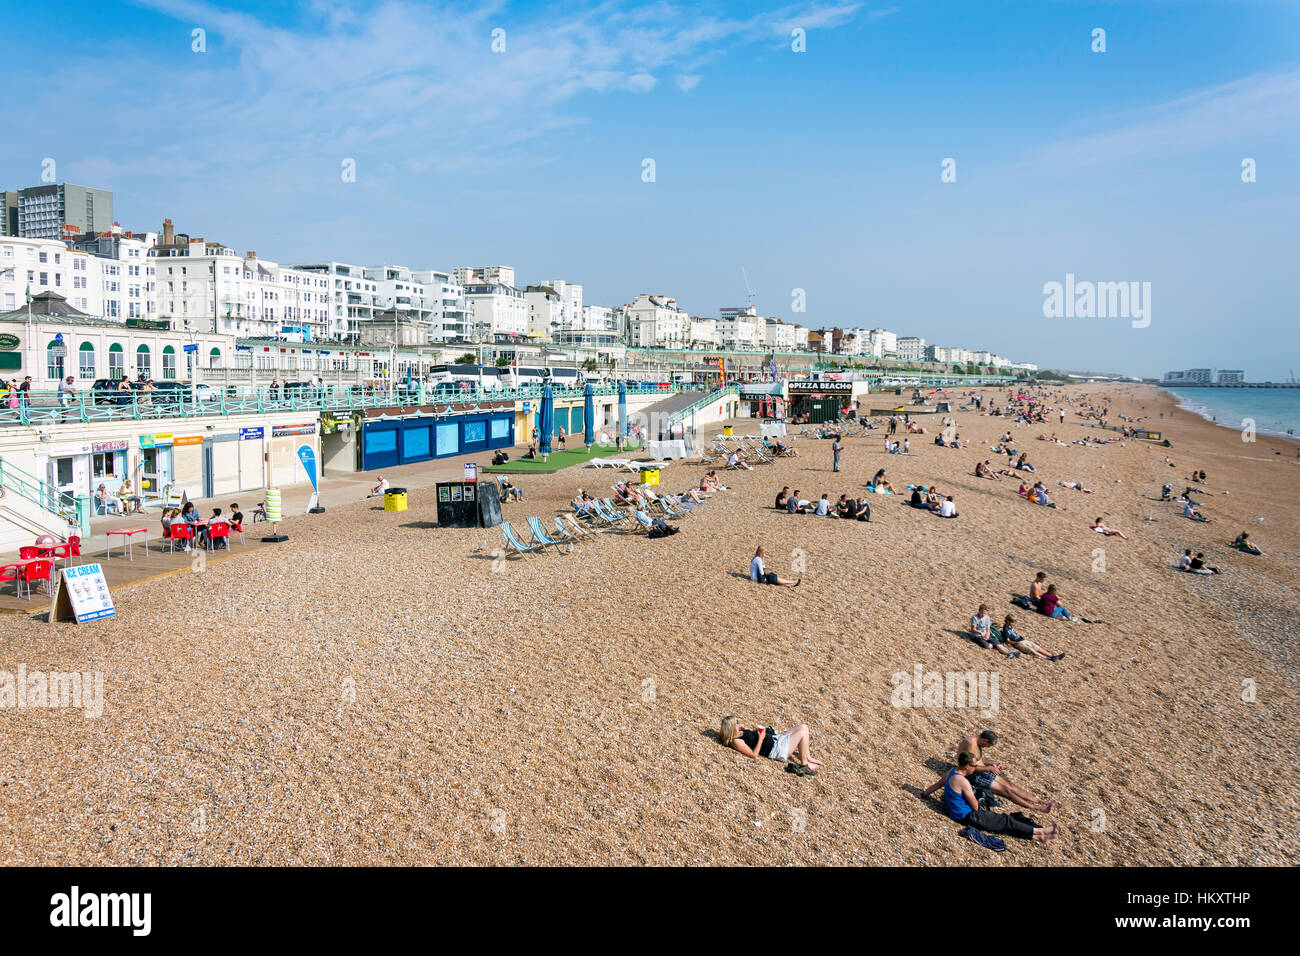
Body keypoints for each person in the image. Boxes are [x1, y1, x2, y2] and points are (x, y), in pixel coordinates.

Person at [922, 732, 1059, 814]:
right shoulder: (971, 744)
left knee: (1010, 785)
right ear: (985, 740)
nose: (987, 747)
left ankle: (1040, 801)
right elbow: (972, 767)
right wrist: (989, 769)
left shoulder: (977, 743)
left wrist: (992, 763)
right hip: (974, 774)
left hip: (981, 770)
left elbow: (980, 760)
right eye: (989, 745)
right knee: (1006, 791)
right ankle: (1036, 807)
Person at [933, 754, 1060, 843]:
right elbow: (975, 807)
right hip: (968, 816)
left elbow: (936, 785)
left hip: (958, 814)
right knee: (1006, 821)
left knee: (1006, 823)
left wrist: (923, 794)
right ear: (967, 766)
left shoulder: (951, 772)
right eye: (973, 765)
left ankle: (1038, 837)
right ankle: (1041, 831)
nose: (975, 768)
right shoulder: (963, 782)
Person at [720, 715, 819, 775]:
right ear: (731, 728)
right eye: (736, 723)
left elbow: (749, 739)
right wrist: (761, 738)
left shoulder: (739, 732)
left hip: (775, 739)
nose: (739, 723)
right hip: (777, 749)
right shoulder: (736, 741)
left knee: (803, 727)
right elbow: (753, 754)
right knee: (802, 732)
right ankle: (804, 763)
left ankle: (808, 756)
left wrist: (744, 728)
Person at [998, 614, 1065, 661]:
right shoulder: (1005, 628)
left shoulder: (1010, 627)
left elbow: (1013, 633)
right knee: (1032, 650)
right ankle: (1047, 658)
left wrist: (1020, 636)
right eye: (1013, 622)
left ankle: (1053, 656)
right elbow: (1008, 640)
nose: (1013, 623)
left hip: (1021, 640)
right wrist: (1016, 643)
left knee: (1036, 647)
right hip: (1018, 643)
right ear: (1008, 621)